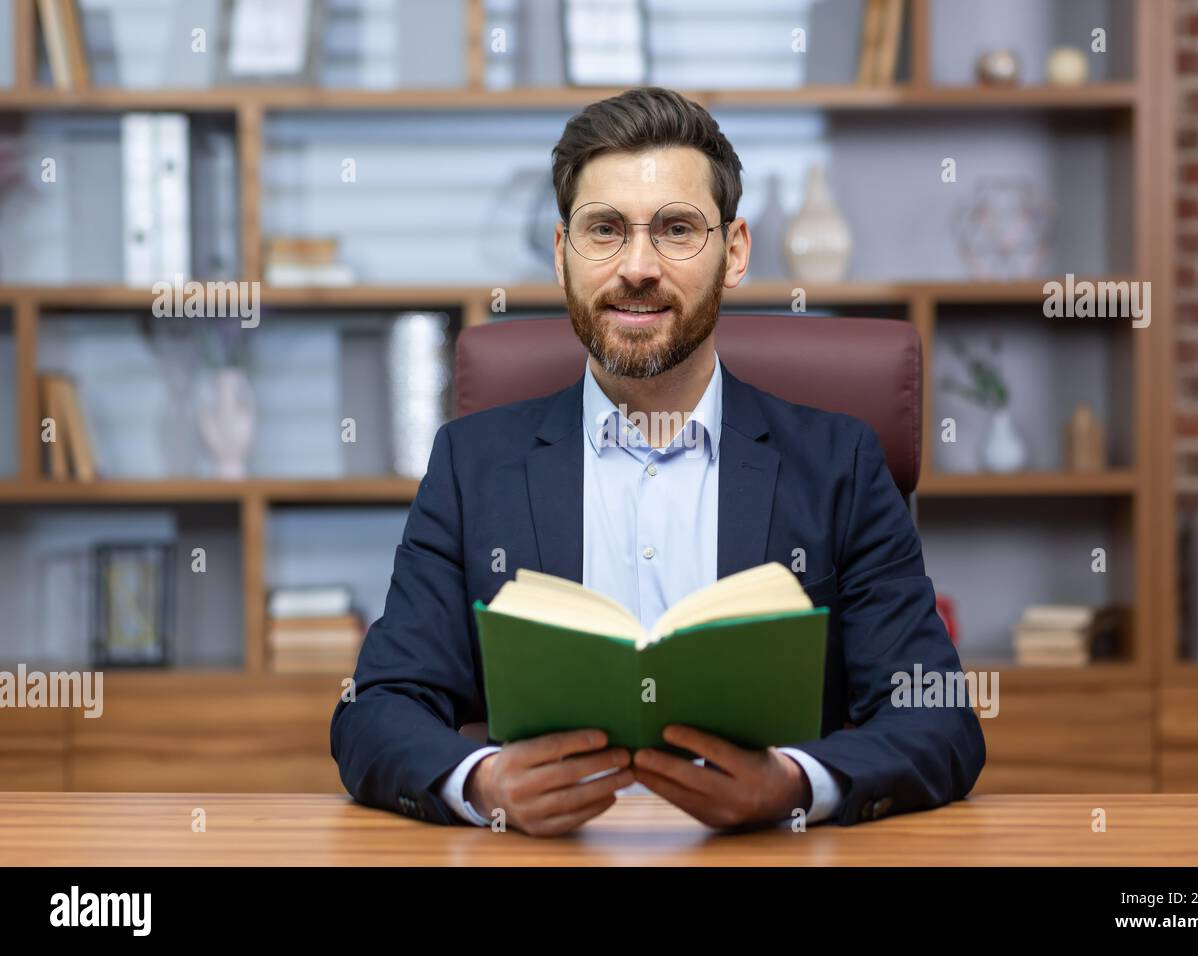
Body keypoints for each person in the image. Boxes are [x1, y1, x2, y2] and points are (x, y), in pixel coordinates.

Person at [330, 86, 984, 837]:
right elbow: (374, 710)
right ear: (561, 253)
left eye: (676, 230)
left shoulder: (840, 465)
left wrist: (794, 787)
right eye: (604, 230)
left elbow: (936, 718)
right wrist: (482, 783)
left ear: (734, 253)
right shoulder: (470, 467)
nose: (637, 267)